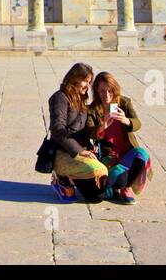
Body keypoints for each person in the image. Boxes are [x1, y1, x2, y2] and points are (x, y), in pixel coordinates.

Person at [47, 62, 109, 203]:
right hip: (63, 152)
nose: (88, 85)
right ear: (74, 78)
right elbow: (57, 129)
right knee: (100, 171)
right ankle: (61, 177)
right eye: (85, 81)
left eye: (89, 82)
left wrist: (101, 128)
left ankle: (71, 178)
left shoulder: (81, 100)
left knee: (97, 196)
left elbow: (85, 130)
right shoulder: (60, 98)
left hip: (82, 152)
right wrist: (79, 151)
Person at [87, 71, 152, 205]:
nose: (106, 95)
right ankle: (116, 186)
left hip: (127, 152)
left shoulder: (124, 103)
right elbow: (89, 132)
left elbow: (137, 123)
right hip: (109, 155)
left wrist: (126, 120)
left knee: (142, 155)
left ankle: (125, 188)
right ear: (96, 91)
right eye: (102, 91)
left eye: (110, 91)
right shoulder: (92, 109)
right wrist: (102, 126)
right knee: (120, 178)